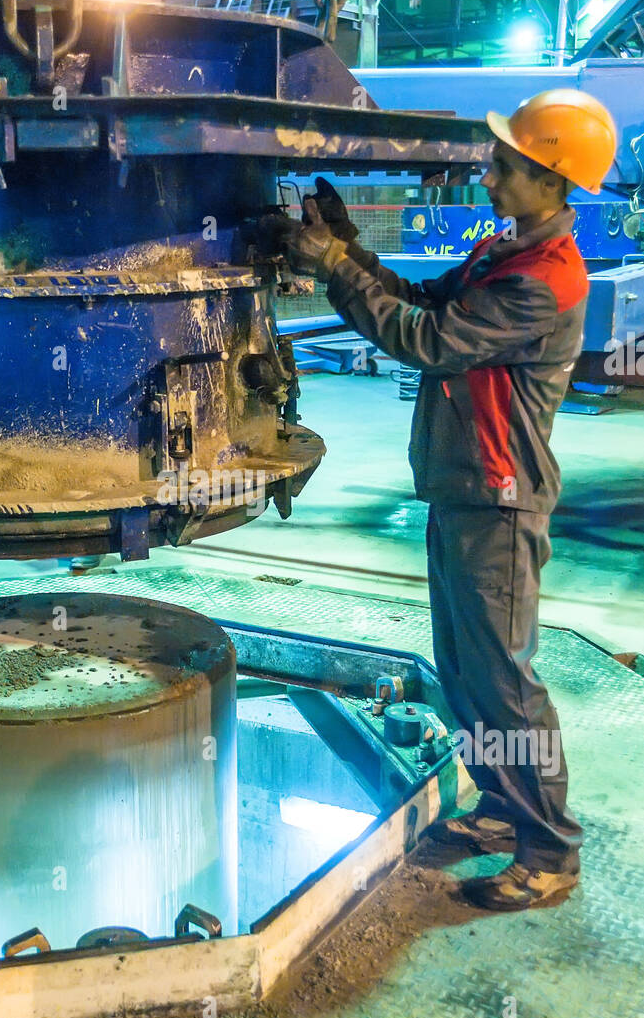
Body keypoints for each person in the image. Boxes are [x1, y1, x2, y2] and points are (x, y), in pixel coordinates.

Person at [259, 89, 618, 910]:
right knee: (461, 668)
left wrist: (333, 269)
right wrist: (349, 249)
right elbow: (424, 300)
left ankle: (549, 851)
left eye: (502, 167)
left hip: (499, 497)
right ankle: (499, 808)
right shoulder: (505, 253)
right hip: (464, 487)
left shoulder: (544, 281)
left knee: (502, 681)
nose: (487, 178)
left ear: (549, 178)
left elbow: (425, 341)